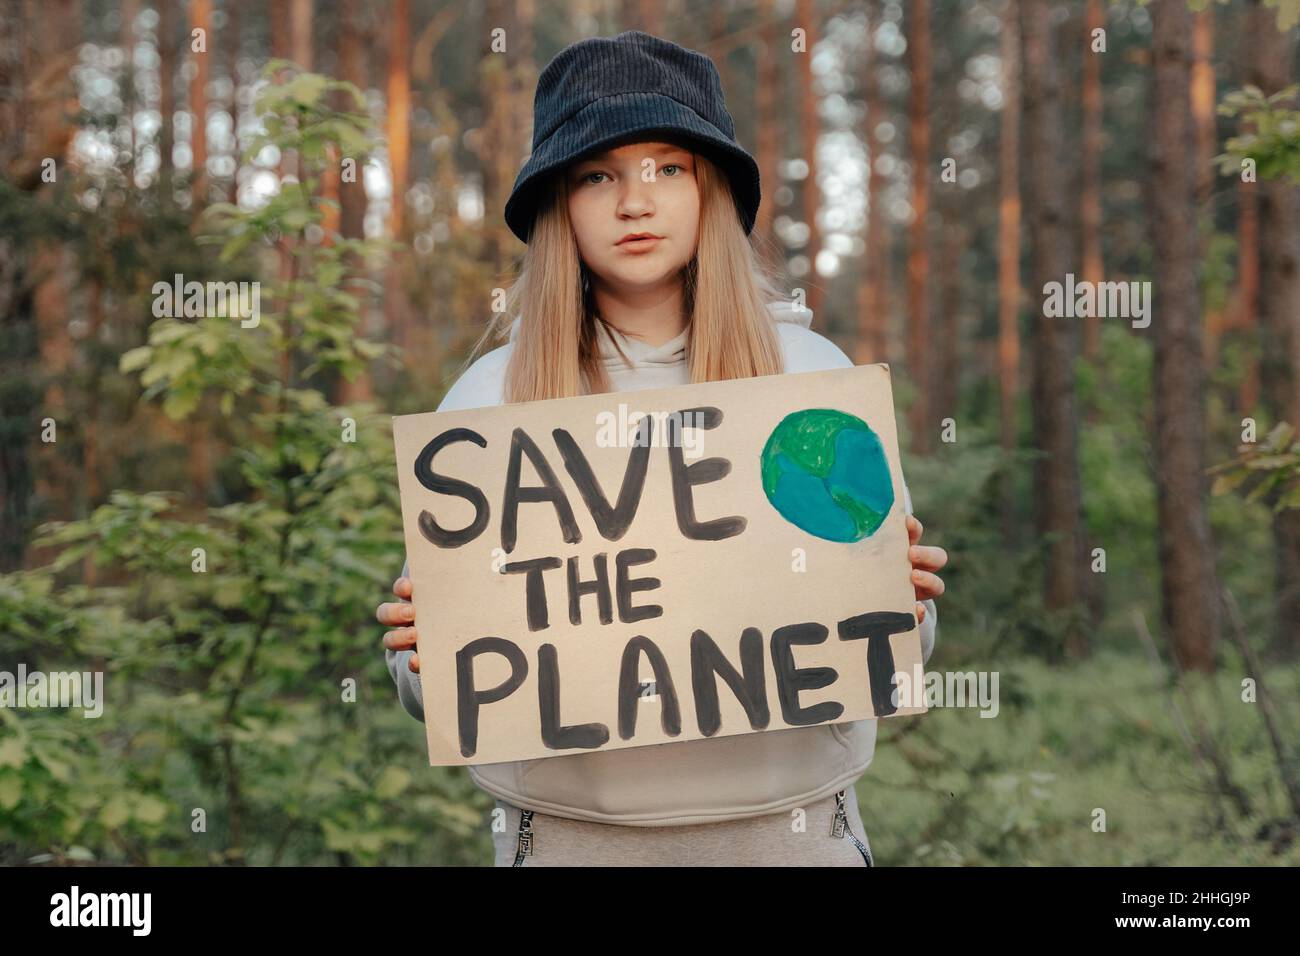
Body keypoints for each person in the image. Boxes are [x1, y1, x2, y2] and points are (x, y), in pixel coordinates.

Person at [376, 30, 948, 866]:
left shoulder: (813, 383)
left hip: (794, 839)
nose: (634, 203)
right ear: (558, 205)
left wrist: (906, 597)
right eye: (598, 175)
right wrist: (422, 649)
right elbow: (441, 691)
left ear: (711, 191)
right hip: (570, 843)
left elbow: (895, 651)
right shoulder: (486, 406)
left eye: (667, 169)